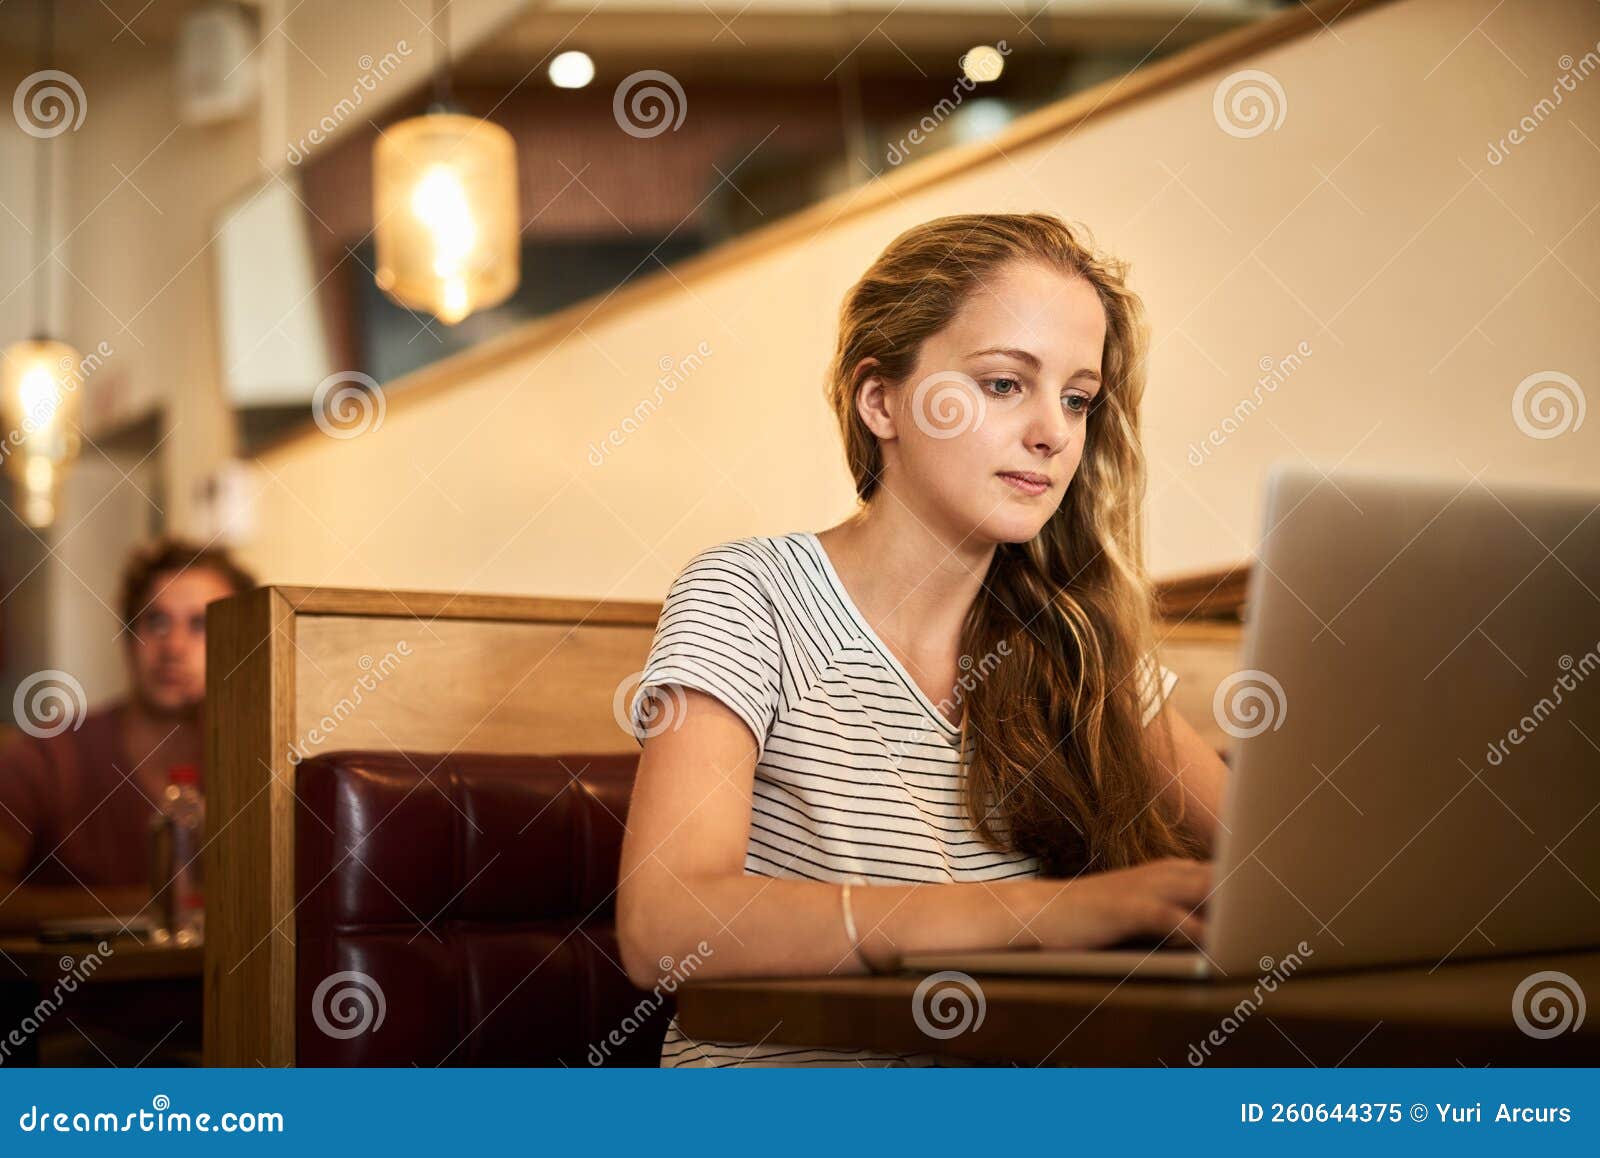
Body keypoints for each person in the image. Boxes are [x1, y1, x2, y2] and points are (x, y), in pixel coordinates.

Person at [617, 213, 1230, 1066]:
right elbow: (664, 926)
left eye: (1078, 397)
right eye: (1005, 383)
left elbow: (1277, 858)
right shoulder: (750, 594)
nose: (1053, 431)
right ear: (882, 401)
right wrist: (1050, 917)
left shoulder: (1081, 647)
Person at [0, 537, 256, 933]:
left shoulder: (258, 762)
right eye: (155, 621)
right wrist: (154, 904)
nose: (172, 646)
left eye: (200, 624)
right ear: (127, 637)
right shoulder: (49, 755)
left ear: (242, 643)